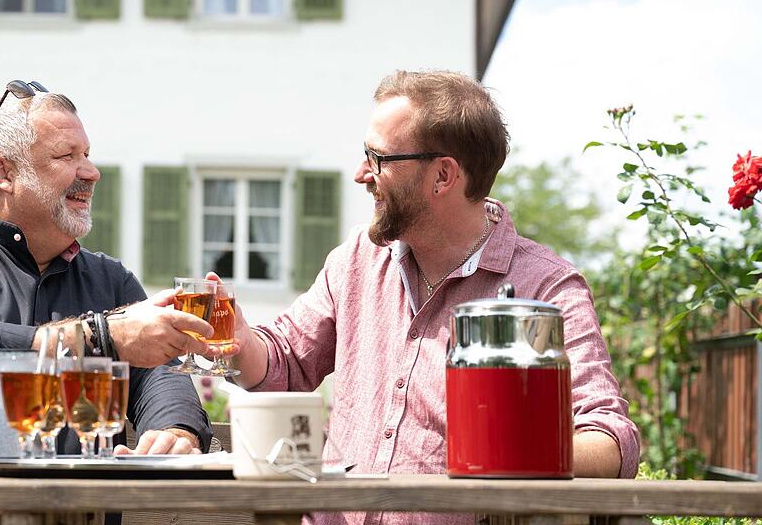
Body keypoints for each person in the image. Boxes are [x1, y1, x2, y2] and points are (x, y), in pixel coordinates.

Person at [225, 70, 641, 525]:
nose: (361, 174)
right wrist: (239, 340)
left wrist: (505, 450)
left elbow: (610, 440)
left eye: (378, 158)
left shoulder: (546, 287)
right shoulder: (356, 260)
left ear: (443, 175)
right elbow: (286, 360)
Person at [0, 84, 213, 458]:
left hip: (77, 514)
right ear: (4, 172)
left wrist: (176, 429)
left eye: (88, 155)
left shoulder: (109, 279)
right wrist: (95, 337)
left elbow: (159, 374)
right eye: (67, 156)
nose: (92, 172)